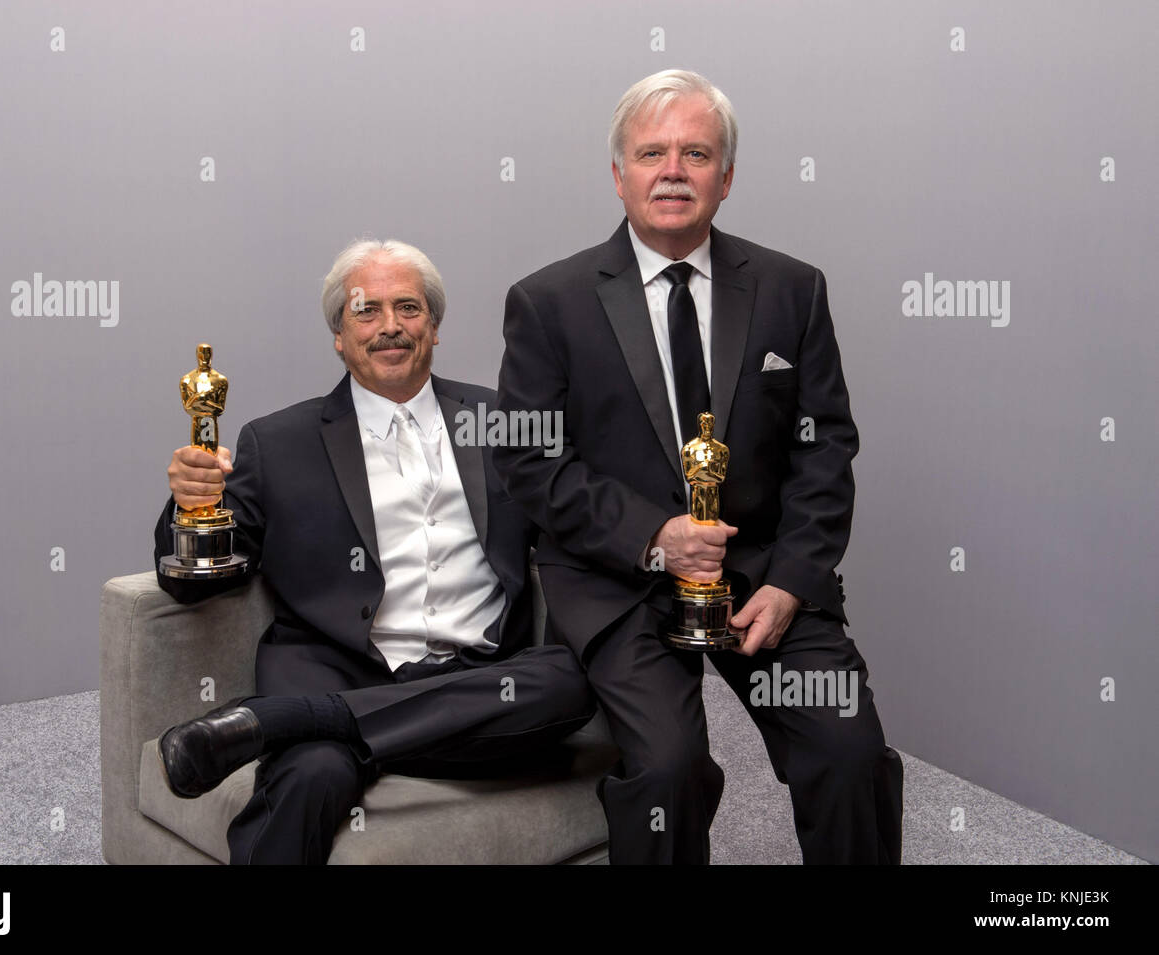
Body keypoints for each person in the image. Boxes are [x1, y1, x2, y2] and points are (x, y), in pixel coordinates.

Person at [493, 69, 904, 864]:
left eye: (696, 152)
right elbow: (530, 462)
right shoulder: (550, 302)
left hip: (764, 576)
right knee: (668, 771)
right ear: (619, 175)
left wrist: (791, 580)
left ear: (727, 176)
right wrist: (656, 536)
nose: (673, 169)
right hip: (622, 584)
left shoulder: (792, 290)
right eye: (651, 153)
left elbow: (826, 447)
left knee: (849, 750)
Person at [153, 238, 595, 865]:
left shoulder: (503, 422)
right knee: (311, 777)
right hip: (344, 669)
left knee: (568, 684)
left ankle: (283, 721)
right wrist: (191, 506)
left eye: (409, 308)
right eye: (366, 310)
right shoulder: (277, 442)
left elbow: (573, 524)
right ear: (339, 333)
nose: (390, 327)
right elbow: (193, 581)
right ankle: (332, 723)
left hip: (484, 675)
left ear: (434, 327)